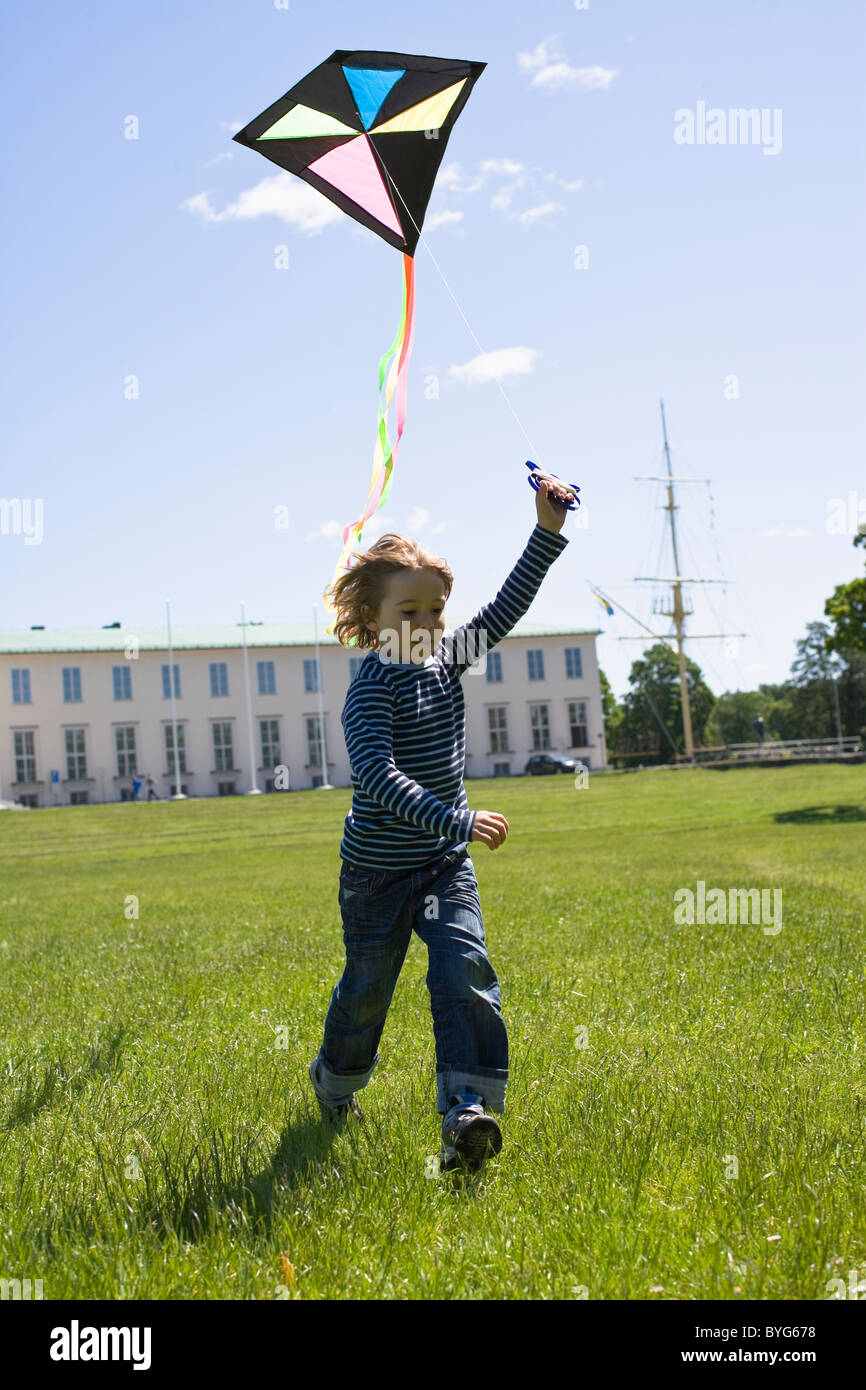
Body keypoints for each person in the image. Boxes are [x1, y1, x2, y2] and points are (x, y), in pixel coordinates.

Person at [309, 477, 572, 1172]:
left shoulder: (448, 663)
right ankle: (334, 1087)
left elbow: (506, 609)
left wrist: (545, 531)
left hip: (444, 864)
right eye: (410, 610)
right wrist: (454, 817)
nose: (427, 623)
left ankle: (466, 1111)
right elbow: (378, 776)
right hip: (375, 874)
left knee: (464, 971)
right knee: (368, 990)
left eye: (436, 610)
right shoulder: (368, 689)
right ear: (371, 616)